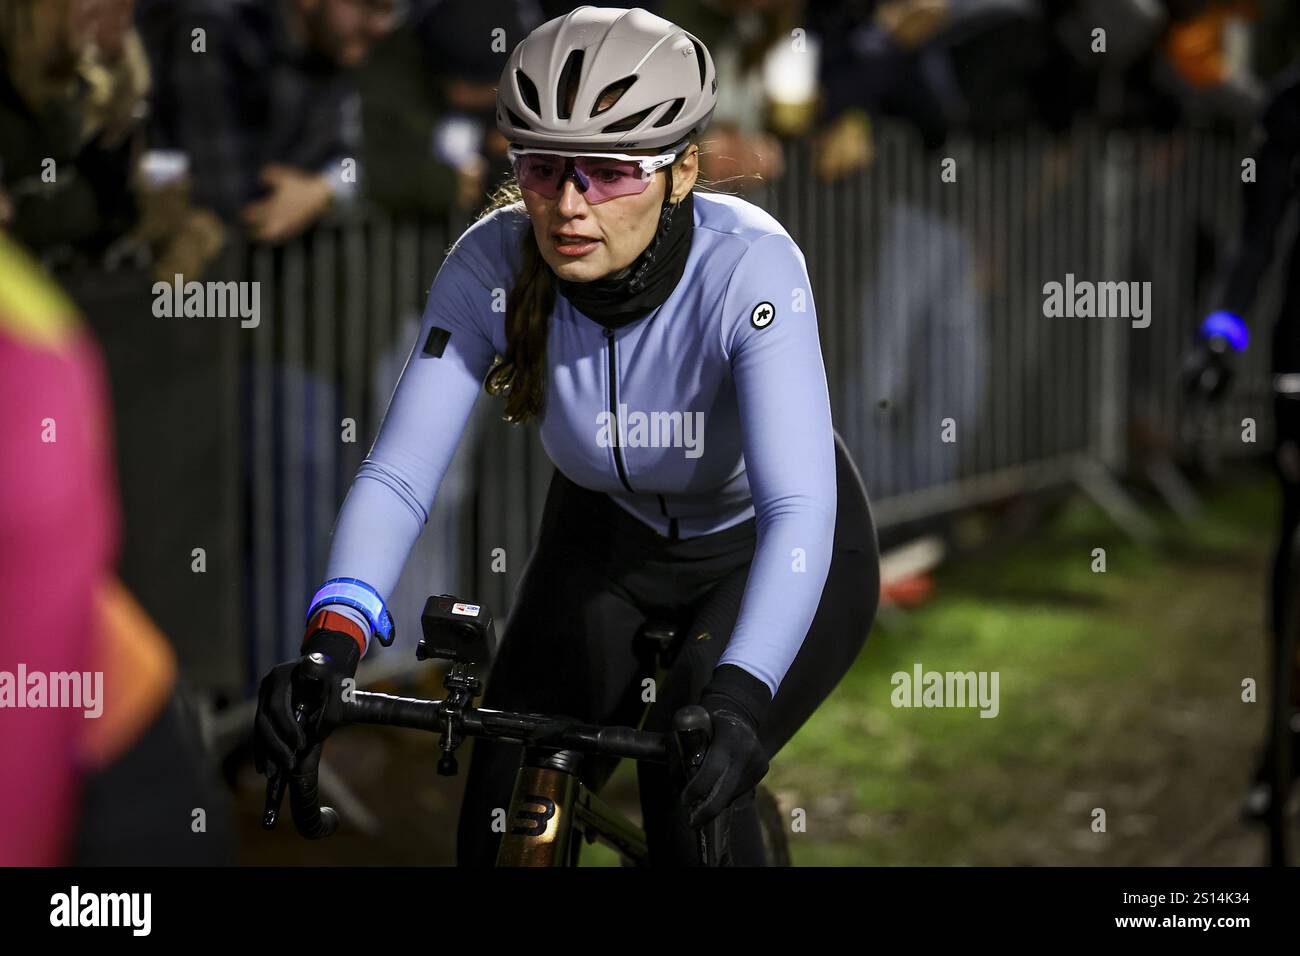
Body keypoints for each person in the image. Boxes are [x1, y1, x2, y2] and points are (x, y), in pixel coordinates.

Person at [254, 5, 881, 865]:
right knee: (501, 801)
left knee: (689, 775)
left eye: (612, 172)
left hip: (770, 545)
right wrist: (330, 644)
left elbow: (799, 506)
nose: (570, 203)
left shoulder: (751, 264)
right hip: (605, 539)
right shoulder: (490, 264)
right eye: (543, 168)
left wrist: (739, 697)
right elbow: (400, 474)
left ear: (682, 169)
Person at [1184, 58, 1300, 820]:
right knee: (1294, 534)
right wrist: (1221, 340)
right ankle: (1279, 740)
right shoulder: (1291, 104)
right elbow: (1255, 242)